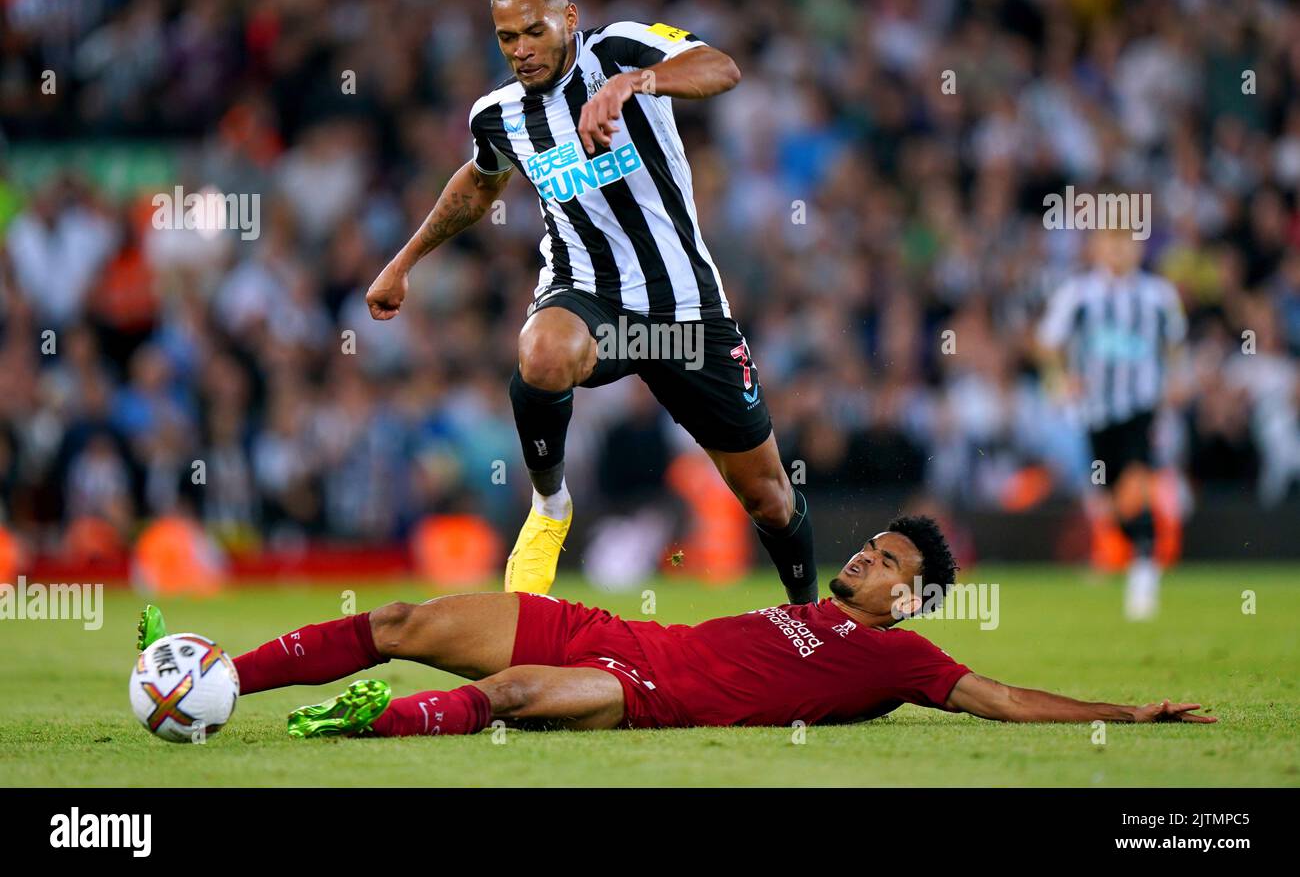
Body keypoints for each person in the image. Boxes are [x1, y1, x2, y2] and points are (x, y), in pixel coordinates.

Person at [363, 0, 817, 603]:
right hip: (589, 300)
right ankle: (550, 505)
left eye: (533, 31)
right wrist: (403, 261)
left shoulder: (621, 48)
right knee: (543, 351)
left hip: (684, 314)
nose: (521, 49)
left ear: (568, 18)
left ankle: (816, 624)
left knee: (768, 497)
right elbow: (480, 180)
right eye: (506, 38)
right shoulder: (498, 116)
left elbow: (722, 67)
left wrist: (638, 83)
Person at [135, 515, 1215, 736]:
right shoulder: (811, 601)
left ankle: (356, 726)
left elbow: (1002, 697)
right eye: (869, 544)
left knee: (509, 702)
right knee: (400, 613)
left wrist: (1127, 709)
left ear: (913, 597)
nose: (862, 557)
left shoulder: (904, 655)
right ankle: (217, 674)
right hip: (604, 630)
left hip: (647, 695)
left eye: (886, 561)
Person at [1039, 223, 1187, 620]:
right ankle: (1135, 549)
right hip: (1095, 413)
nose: (1119, 250)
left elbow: (1174, 345)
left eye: (1126, 242)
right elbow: (1047, 342)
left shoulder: (1158, 294)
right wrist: (1060, 377)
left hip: (1141, 408)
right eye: (1111, 242)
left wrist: (1174, 382)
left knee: (1137, 486)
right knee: (1109, 502)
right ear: (1098, 248)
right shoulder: (1079, 293)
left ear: (1137, 248)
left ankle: (1144, 571)